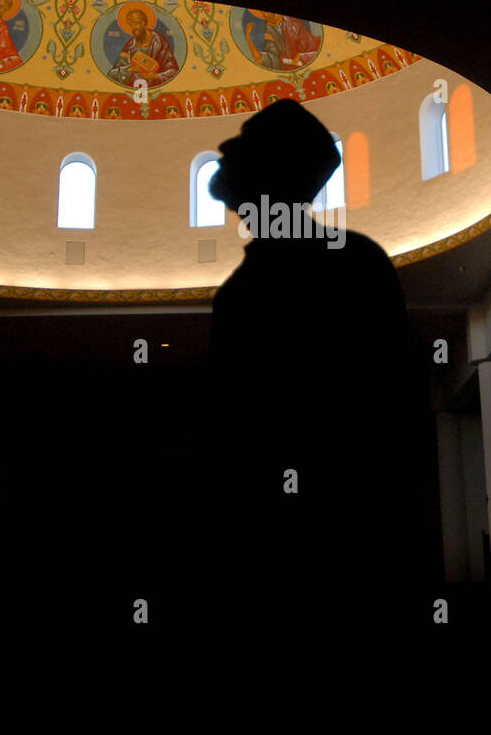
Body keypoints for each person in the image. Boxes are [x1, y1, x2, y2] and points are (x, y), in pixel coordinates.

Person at [197, 99, 430, 642]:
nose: (226, 149)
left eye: (244, 141)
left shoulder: (347, 265)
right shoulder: (249, 288)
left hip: (336, 543)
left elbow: (387, 412)